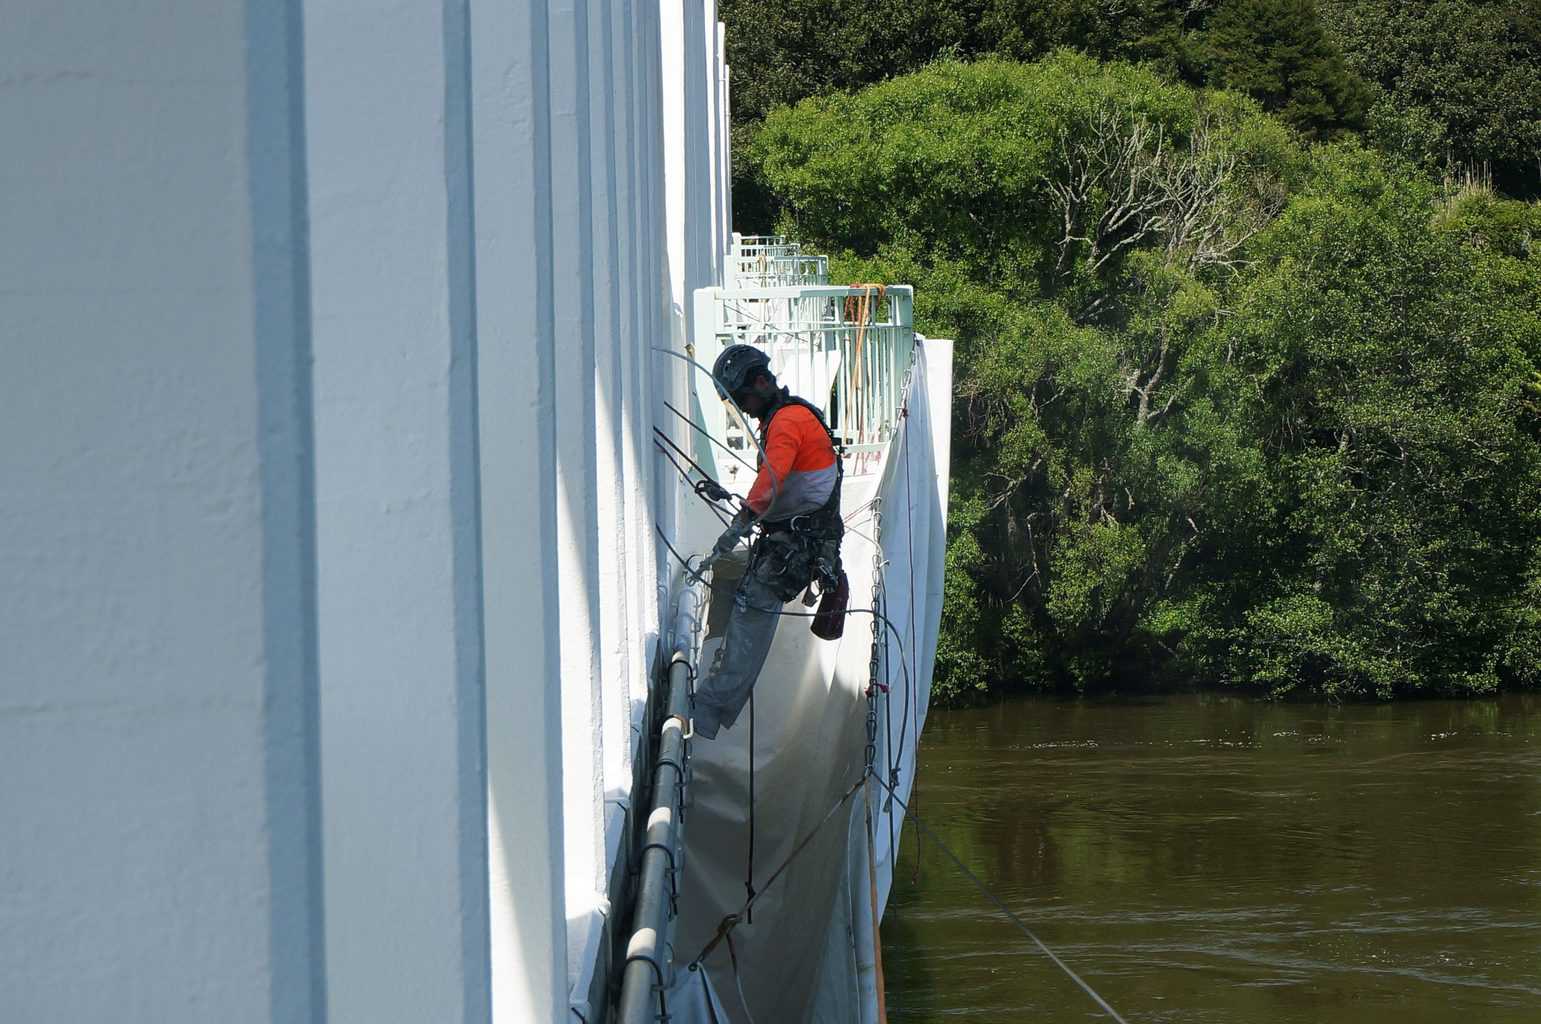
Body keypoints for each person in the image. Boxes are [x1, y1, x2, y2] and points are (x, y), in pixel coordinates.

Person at [691, 344, 845, 740]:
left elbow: (773, 479)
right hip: (796, 535)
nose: (743, 407)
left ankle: (705, 713)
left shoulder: (788, 421)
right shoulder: (785, 417)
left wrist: (740, 522)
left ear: (760, 381)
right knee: (738, 601)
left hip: (799, 541)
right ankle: (709, 687)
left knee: (751, 614)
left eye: (742, 397)